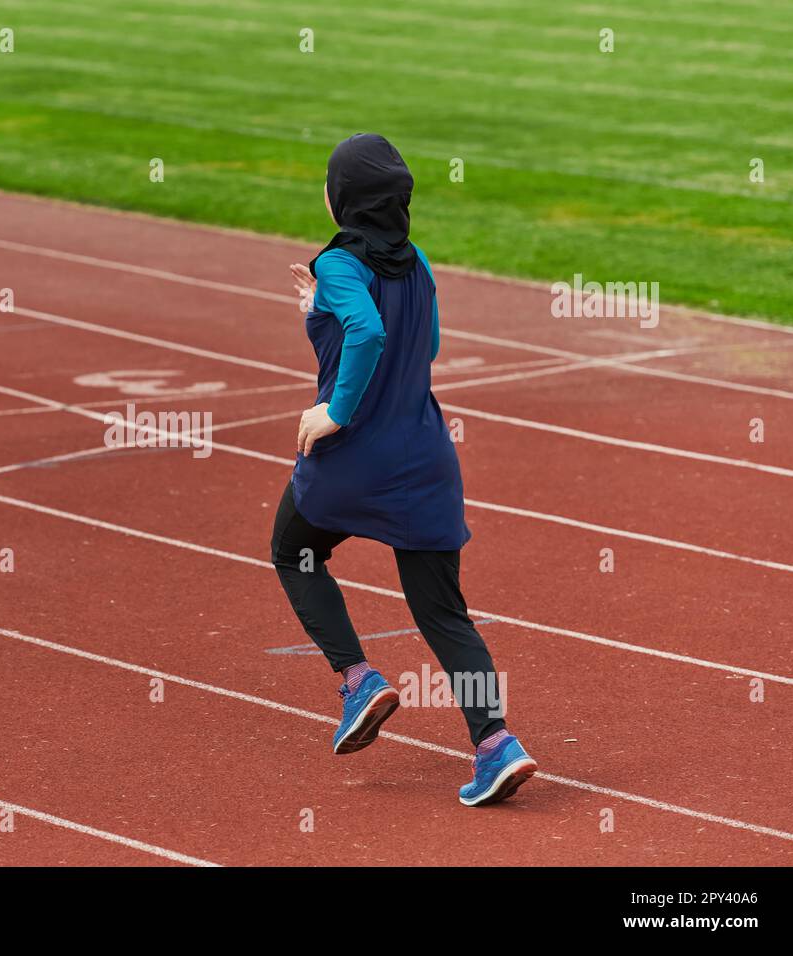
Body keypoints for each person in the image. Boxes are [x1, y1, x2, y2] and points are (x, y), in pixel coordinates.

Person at [272, 133, 537, 806]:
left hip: (352, 461)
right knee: (446, 614)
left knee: (294, 552)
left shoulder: (338, 266)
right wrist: (318, 313)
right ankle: (496, 743)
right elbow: (427, 342)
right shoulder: (415, 262)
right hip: (425, 459)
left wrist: (334, 409)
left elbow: (368, 334)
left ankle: (359, 679)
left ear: (342, 200)